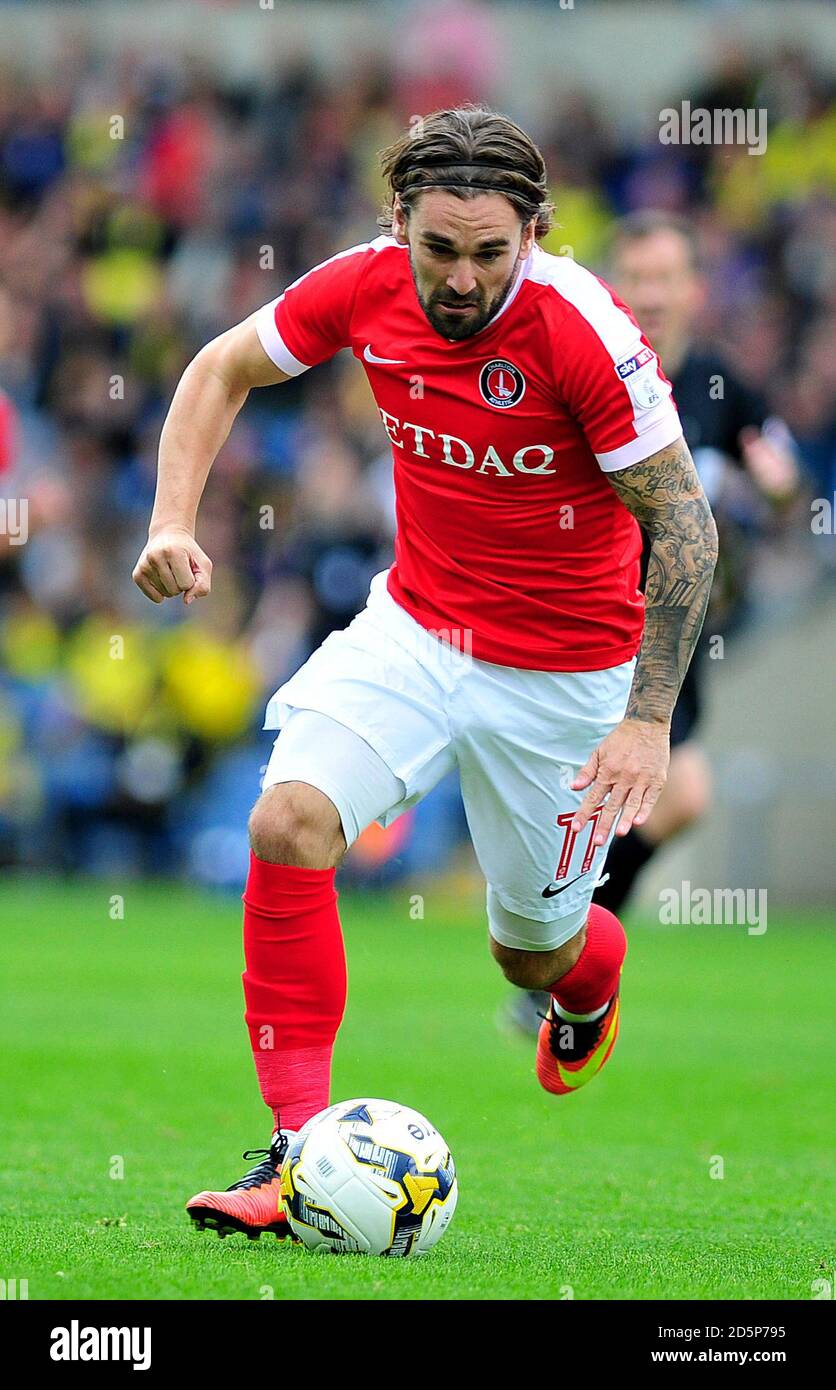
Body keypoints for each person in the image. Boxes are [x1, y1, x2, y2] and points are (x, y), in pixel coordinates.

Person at [132, 107, 718, 1242]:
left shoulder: (583, 332)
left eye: (489, 253)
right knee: (288, 820)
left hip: (562, 674)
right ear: (395, 220)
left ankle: (588, 977)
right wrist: (170, 519)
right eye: (437, 248)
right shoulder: (359, 285)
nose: (459, 279)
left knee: (529, 948)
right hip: (415, 628)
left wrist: (647, 722)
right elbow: (220, 368)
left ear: (534, 233)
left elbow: (684, 532)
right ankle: (297, 1153)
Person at [505, 210, 799, 1039]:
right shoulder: (586, 369)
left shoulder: (717, 384)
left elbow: (781, 481)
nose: (653, 294)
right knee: (623, 801)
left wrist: (778, 484)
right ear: (614, 286)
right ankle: (554, 962)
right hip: (584, 623)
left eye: (668, 278)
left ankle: (559, 958)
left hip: (670, 630)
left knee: (675, 800)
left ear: (695, 289)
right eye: (638, 277)